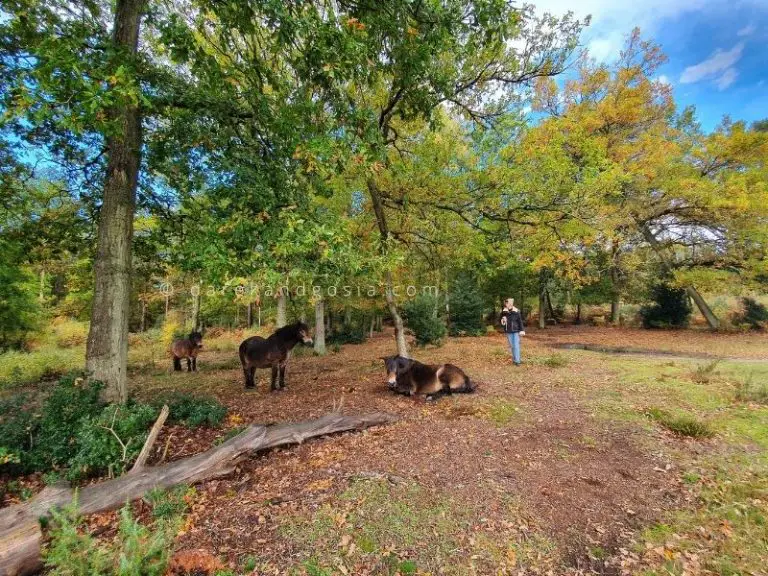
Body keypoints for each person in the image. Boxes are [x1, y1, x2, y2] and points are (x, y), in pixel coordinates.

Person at [500, 298, 525, 365]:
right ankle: (514, 360)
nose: (507, 304)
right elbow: (501, 321)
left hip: (516, 331)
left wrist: (522, 330)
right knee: (512, 346)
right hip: (508, 331)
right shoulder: (504, 312)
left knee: (516, 345)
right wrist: (503, 320)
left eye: (507, 303)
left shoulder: (516, 311)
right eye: (506, 303)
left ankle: (517, 361)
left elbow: (520, 321)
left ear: (511, 303)